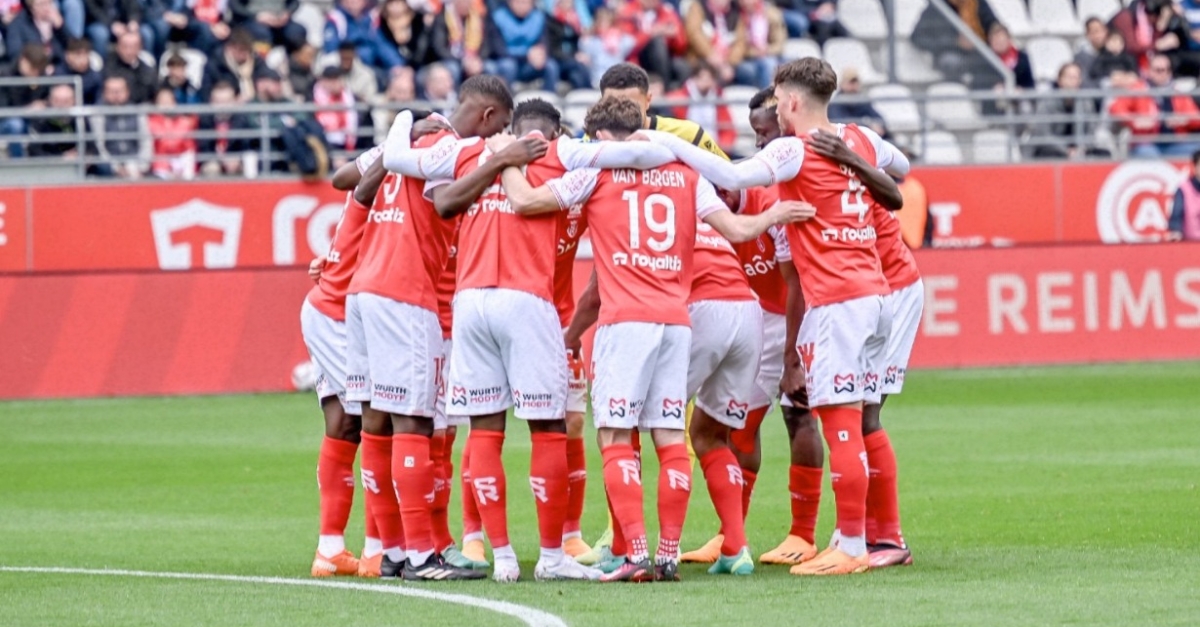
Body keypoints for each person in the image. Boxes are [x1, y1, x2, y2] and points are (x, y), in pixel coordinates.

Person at [497, 96, 808, 583]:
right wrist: (774, 217)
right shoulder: (687, 177)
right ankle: (666, 554)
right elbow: (737, 227)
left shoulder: (595, 176)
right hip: (676, 322)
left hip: (626, 322)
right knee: (670, 438)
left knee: (616, 435)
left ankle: (635, 551)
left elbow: (526, 201)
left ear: (600, 138)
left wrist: (506, 162)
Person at [643, 57, 911, 575]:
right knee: (853, 419)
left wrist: (661, 141)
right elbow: (898, 170)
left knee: (839, 422)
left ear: (789, 101)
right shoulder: (861, 137)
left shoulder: (793, 148)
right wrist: (854, 165)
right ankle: (854, 536)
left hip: (836, 299)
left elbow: (727, 172)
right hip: (875, 294)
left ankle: (852, 544)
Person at [345, 75, 513, 582]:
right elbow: (446, 202)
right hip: (405, 294)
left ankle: (393, 549)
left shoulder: (411, 143)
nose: (498, 137)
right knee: (413, 425)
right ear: (486, 117)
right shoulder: (451, 150)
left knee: (375, 423)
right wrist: (499, 162)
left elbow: (352, 183)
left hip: (364, 288)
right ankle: (421, 554)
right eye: (499, 128)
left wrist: (401, 125)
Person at [301, 147, 381, 577]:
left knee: (344, 425)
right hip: (339, 316)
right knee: (379, 420)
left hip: (342, 310)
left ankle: (330, 549)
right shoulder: (378, 187)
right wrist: (395, 147)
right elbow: (348, 180)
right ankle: (376, 548)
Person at [1113, 55, 1200, 158]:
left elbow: (1196, 118)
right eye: (1157, 70)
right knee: (1148, 154)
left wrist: (1184, 119)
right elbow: (1116, 108)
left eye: (1164, 70)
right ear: (1149, 71)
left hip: (1175, 142)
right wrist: (1134, 121)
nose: (1161, 74)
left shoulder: (1178, 93)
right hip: (1147, 143)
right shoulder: (1138, 89)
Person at [1031, 62, 1107, 159]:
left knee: (1104, 154)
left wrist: (1081, 149)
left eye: (1076, 77)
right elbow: (1043, 134)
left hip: (1080, 150)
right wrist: (1066, 150)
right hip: (1053, 150)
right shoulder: (1046, 101)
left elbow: (1091, 131)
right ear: (1060, 80)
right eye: (1069, 77)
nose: (1073, 81)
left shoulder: (1086, 102)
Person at [427, 0, 503, 87]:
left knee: (491, 68)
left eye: (468, 2)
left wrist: (479, 60)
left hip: (475, 59)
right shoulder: (443, 16)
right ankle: (456, 97)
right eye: (462, 2)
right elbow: (439, 48)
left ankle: (488, 97)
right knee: (453, 69)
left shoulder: (479, 16)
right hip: (452, 59)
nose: (465, 5)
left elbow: (487, 44)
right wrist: (463, 61)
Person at [665, 62, 735, 153]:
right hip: (686, 146)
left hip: (715, 147)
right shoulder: (678, 99)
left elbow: (728, 127)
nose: (705, 81)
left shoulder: (719, 99)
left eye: (709, 78)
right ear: (694, 78)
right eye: (702, 77)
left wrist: (723, 145)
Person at [617, 0, 688, 88]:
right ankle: (663, 88)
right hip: (637, 57)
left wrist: (672, 37)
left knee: (683, 67)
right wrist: (651, 33)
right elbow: (629, 45)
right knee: (656, 43)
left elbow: (681, 45)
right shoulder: (628, 12)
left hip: (664, 58)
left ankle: (670, 94)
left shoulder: (667, 12)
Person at [89, 74, 150, 178]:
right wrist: (115, 167)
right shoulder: (97, 114)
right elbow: (99, 146)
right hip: (109, 165)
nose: (116, 95)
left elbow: (146, 142)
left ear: (127, 92)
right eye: (112, 91)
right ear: (104, 93)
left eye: (120, 91)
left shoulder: (138, 113)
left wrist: (140, 166)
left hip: (135, 162)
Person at [491, 0, 561, 89]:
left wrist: (541, 53)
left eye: (525, 2)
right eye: (517, 2)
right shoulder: (498, 17)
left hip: (530, 65)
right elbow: (498, 50)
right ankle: (507, 100)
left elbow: (545, 43)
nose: (521, 6)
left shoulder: (539, 17)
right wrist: (526, 56)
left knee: (551, 66)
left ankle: (549, 99)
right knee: (508, 66)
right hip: (507, 61)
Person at [0, 44, 52, 157]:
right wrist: (26, 110)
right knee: (15, 124)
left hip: (32, 120)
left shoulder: (41, 76)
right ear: (22, 60)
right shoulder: (4, 75)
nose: (35, 73)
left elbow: (46, 97)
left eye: (38, 70)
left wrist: (44, 103)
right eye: (32, 69)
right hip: (6, 122)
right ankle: (19, 163)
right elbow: (3, 110)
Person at [323, 0, 403, 72]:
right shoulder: (336, 19)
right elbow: (331, 50)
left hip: (373, 68)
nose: (354, 1)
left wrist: (398, 66)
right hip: (346, 71)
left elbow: (383, 46)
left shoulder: (372, 17)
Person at [196, 79, 252, 176]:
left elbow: (246, 145)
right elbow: (204, 147)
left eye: (227, 101)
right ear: (211, 102)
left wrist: (236, 159)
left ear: (235, 101)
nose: (223, 106)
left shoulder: (242, 120)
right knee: (212, 169)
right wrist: (221, 160)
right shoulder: (205, 120)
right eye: (218, 102)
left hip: (236, 161)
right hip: (212, 161)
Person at [684, 0, 746, 86]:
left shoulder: (735, 12)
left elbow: (740, 42)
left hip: (728, 62)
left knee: (749, 71)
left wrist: (729, 63)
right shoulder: (698, 7)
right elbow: (694, 34)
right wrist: (711, 54)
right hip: (702, 57)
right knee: (708, 73)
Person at [147, 86, 199, 179]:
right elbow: (162, 143)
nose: (166, 104)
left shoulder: (184, 121)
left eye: (168, 100)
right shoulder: (151, 121)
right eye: (162, 101)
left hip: (181, 159)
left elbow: (189, 145)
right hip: (161, 161)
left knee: (188, 159)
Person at [578, 6, 635, 88]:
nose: (603, 25)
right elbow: (583, 46)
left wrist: (617, 33)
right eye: (600, 21)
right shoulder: (592, 41)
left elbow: (631, 42)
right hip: (597, 79)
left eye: (606, 21)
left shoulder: (620, 40)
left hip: (617, 78)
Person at [202, 28, 266, 101]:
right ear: (229, 48)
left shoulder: (257, 62)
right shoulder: (214, 65)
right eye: (241, 50)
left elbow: (268, 74)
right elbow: (206, 93)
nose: (244, 54)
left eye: (247, 50)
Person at [735, 0, 784, 89]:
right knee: (768, 64)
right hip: (747, 58)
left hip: (769, 53)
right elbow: (738, 47)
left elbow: (779, 44)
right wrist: (755, 52)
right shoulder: (737, 16)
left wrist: (767, 50)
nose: (746, 2)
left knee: (795, 62)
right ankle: (767, 99)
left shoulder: (772, 14)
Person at [827, 67, 887, 138]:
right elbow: (842, 126)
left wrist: (878, 125)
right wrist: (869, 127)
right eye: (850, 83)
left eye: (856, 83)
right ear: (842, 84)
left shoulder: (861, 101)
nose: (853, 87)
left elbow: (879, 118)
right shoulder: (835, 104)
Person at [229, 0, 306, 53]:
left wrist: (287, 12)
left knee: (297, 31)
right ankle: (262, 66)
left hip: (280, 19)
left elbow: (295, 2)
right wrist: (256, 16)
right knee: (262, 33)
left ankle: (293, 69)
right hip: (253, 19)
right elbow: (234, 4)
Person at [103, 31, 158, 104]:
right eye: (124, 47)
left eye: (132, 47)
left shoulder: (148, 72)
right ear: (117, 47)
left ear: (140, 48)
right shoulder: (108, 68)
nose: (128, 51)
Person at [313, 66, 358, 155]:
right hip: (324, 145)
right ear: (323, 81)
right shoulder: (312, 97)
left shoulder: (350, 97)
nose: (334, 83)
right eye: (330, 80)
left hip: (346, 143)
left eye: (336, 79)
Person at [28, 83, 80, 159]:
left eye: (66, 101)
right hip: (48, 167)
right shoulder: (41, 121)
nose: (61, 106)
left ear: (74, 101)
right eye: (57, 101)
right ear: (50, 100)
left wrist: (83, 157)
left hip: (78, 165)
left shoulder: (80, 121)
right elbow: (34, 151)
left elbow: (91, 148)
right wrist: (61, 158)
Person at [57, 37, 102, 104]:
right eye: (78, 55)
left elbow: (99, 100)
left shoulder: (95, 77)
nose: (83, 59)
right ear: (67, 56)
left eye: (86, 54)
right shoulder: (58, 74)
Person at [1169, 148, 1200, 241]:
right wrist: (1176, 230)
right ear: (1194, 167)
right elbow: (1176, 215)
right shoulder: (1183, 189)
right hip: (1190, 243)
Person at [1075, 17, 1109, 88]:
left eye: (1102, 31)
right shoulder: (1081, 57)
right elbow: (1084, 82)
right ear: (1087, 35)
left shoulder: (1112, 52)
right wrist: (1105, 83)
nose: (1100, 35)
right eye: (1095, 32)